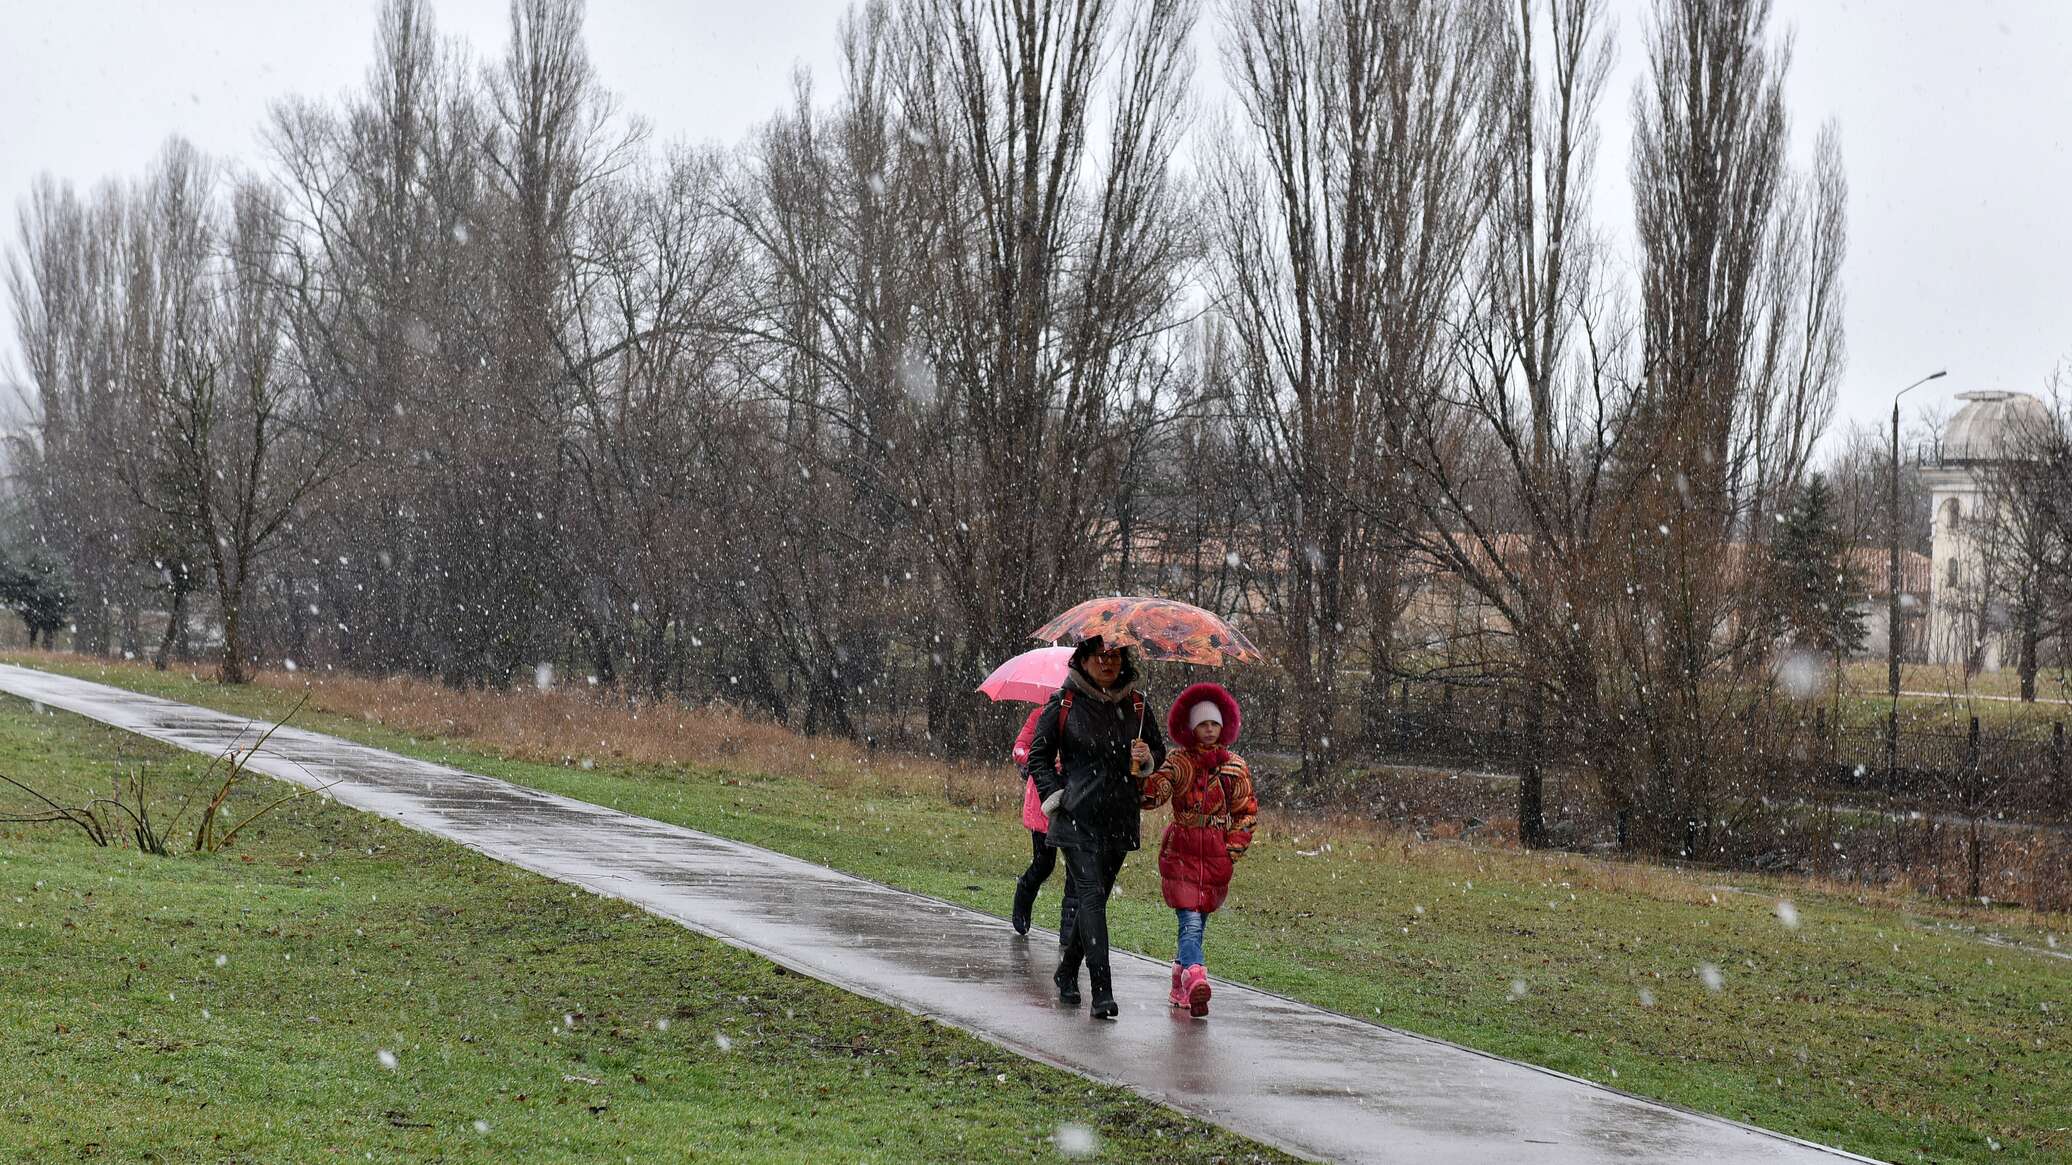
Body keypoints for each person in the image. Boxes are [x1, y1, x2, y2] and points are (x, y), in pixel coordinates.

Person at [1026, 636, 1165, 1020]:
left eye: (1115, 656)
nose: (1108, 663)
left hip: (1120, 817)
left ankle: (1066, 971)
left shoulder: (1137, 706)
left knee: (1096, 902)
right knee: (1089, 896)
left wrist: (1147, 756)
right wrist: (1053, 795)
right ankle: (1101, 991)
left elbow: (1159, 750)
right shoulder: (1064, 703)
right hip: (1075, 817)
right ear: (1084, 660)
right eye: (1101, 656)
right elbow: (1038, 757)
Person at [1138, 681, 1255, 1019]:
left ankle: (1179, 981)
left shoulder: (1234, 767)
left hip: (1215, 854)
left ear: (1223, 725)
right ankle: (1196, 977)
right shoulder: (1177, 763)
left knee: (1198, 920)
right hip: (1183, 850)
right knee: (1189, 919)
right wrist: (1143, 768)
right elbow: (1152, 796)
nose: (1208, 730)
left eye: (1214, 724)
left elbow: (1246, 811)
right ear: (1190, 726)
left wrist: (1231, 850)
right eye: (1202, 723)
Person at [1009, 705, 1075, 941]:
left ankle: (1069, 933)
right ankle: (1023, 896)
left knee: (1076, 871)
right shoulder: (1040, 716)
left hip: (1075, 800)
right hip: (1042, 801)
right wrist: (1045, 758)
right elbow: (1019, 750)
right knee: (1044, 863)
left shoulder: (1084, 717)